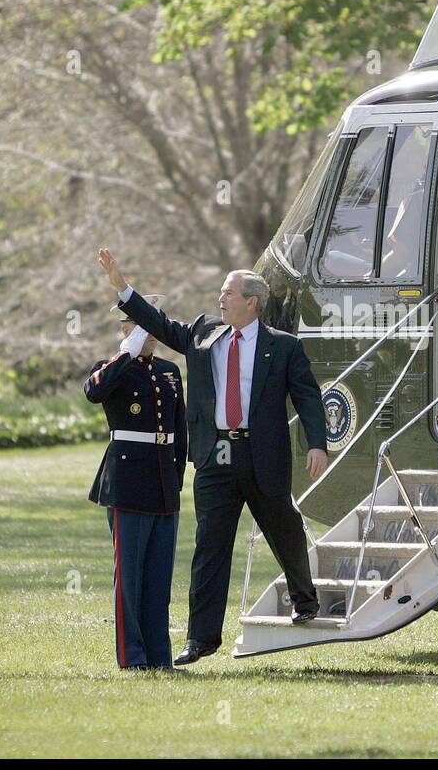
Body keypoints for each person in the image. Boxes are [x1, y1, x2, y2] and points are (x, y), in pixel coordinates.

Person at [97, 249, 329, 667]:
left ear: (252, 302)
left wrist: (318, 444)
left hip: (263, 455)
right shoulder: (203, 333)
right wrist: (123, 289)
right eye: (221, 293)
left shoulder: (284, 347)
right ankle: (200, 640)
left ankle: (305, 599)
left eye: (228, 293)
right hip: (215, 456)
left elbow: (308, 396)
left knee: (284, 526)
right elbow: (161, 325)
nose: (220, 299)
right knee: (210, 547)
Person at [83, 297, 187, 671]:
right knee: (130, 578)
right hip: (127, 482)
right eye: (142, 327)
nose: (152, 336)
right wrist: (126, 353)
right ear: (125, 330)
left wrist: (176, 480)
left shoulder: (169, 371)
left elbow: (179, 430)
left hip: (162, 483)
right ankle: (133, 657)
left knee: (158, 578)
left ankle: (160, 657)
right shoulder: (113, 369)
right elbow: (94, 390)